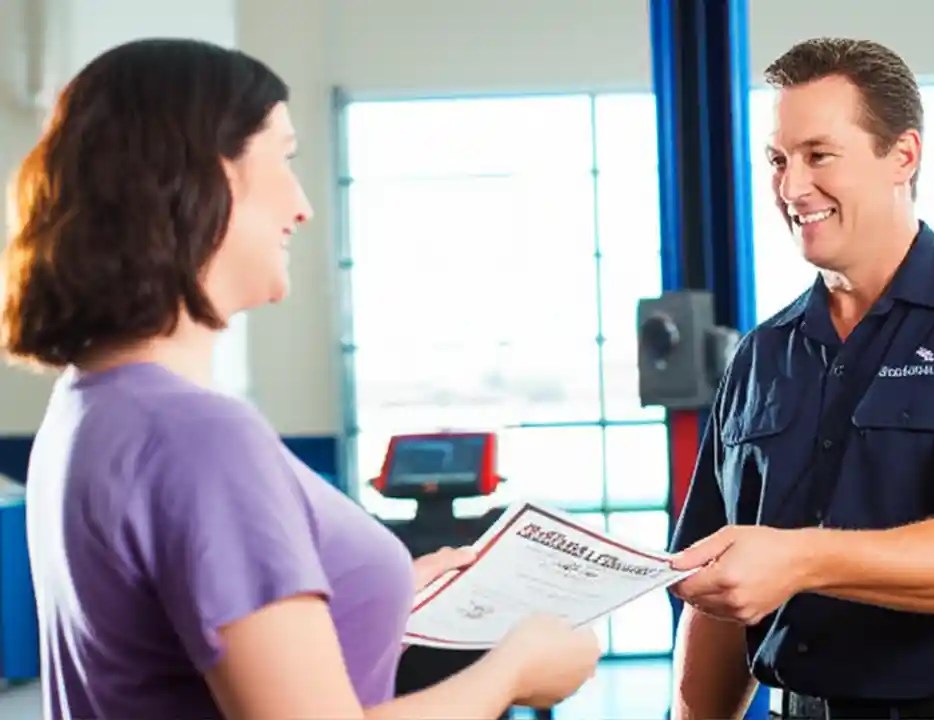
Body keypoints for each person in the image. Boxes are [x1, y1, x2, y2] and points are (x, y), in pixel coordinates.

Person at [1, 38, 600, 720]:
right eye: (284, 159)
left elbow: (180, 651)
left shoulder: (91, 407)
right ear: (204, 178)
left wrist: (384, 594)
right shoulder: (198, 436)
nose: (303, 205)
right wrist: (513, 670)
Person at [666, 37, 934, 720]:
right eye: (778, 159)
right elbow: (715, 596)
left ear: (903, 156)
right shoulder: (761, 357)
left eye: (818, 155)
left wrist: (801, 560)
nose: (791, 187)